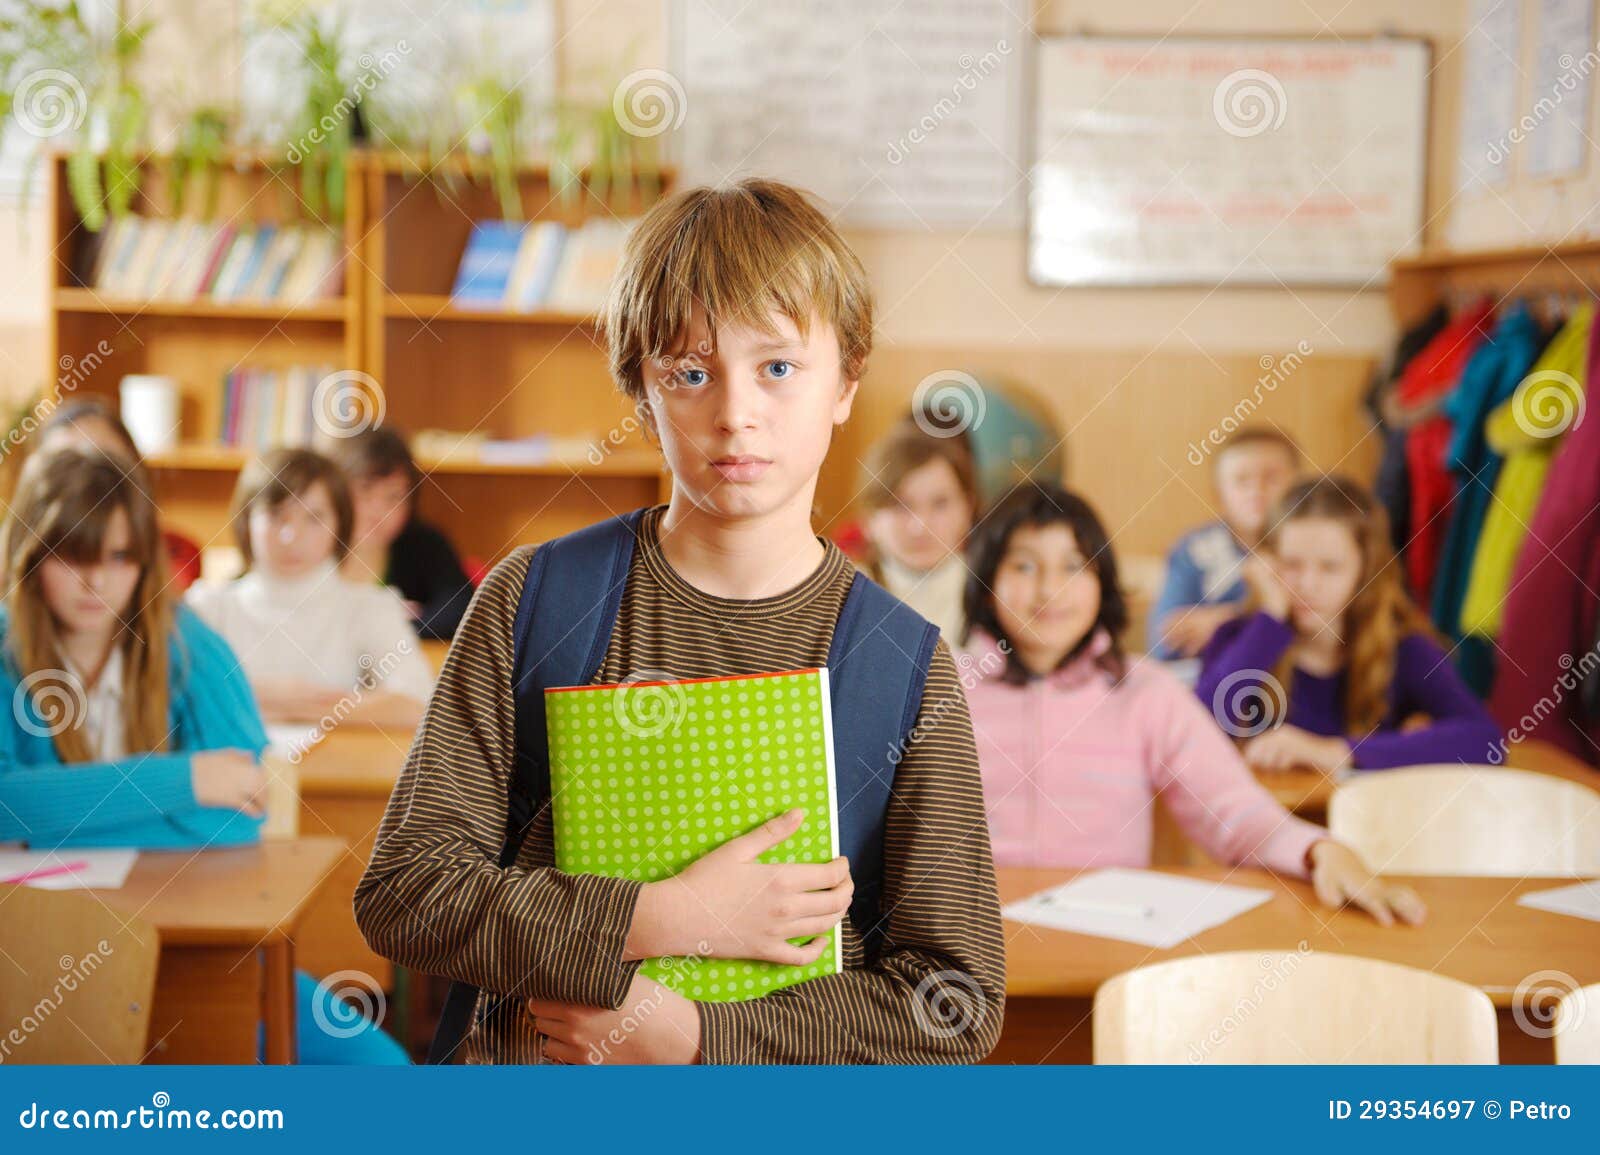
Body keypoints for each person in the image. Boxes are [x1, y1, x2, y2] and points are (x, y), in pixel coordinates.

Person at [354, 178, 1006, 1065]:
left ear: (847, 379)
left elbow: (955, 1001)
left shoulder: (903, 663)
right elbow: (406, 890)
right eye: (690, 373)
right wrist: (669, 915)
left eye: (778, 367)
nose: (735, 414)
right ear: (641, 390)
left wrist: (697, 1036)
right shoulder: (536, 600)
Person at [0, 446, 406, 1063]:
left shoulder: (190, 644)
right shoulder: (6, 648)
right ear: (31, 555)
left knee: (381, 1070)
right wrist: (181, 781)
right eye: (70, 556)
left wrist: (53, 815)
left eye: (118, 556)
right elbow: (5, 805)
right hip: (32, 946)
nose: (95, 582)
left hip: (193, 940)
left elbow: (240, 813)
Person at [962, 482, 1426, 925]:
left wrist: (1318, 849)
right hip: (966, 942)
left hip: (1107, 937)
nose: (1049, 589)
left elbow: (1233, 809)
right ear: (985, 582)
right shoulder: (940, 688)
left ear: (1102, 581)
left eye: (1073, 566)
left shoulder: (1147, 691)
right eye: (1023, 566)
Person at [1197, 476, 1501, 773]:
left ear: (1364, 571)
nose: (1308, 584)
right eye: (1291, 564)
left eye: (1330, 567)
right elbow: (1193, 733)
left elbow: (1485, 740)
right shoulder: (1240, 637)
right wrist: (1270, 620)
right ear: (1266, 563)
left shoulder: (1404, 648)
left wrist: (1337, 752)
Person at [186, 448, 433, 729]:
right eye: (276, 515)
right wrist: (275, 698)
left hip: (336, 770)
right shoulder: (207, 608)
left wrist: (287, 707)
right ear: (245, 523)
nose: (291, 536)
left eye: (314, 518)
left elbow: (416, 703)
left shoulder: (369, 607)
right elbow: (174, 700)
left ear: (339, 525)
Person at [1150, 427, 1300, 659]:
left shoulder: (1307, 548)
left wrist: (1226, 621)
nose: (1256, 491)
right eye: (1241, 480)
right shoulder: (1193, 551)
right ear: (1219, 494)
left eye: (1271, 478)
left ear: (1298, 486)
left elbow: (1316, 625)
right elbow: (1165, 643)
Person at [327, 426, 474, 640]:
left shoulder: (425, 544)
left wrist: (399, 627)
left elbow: (462, 610)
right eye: (365, 491)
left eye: (394, 497)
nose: (378, 512)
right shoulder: (315, 543)